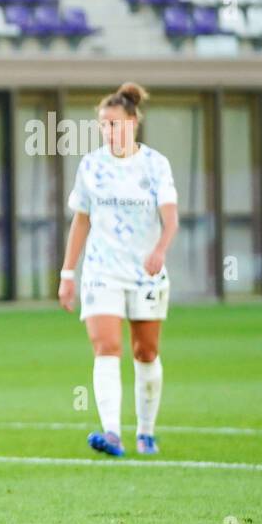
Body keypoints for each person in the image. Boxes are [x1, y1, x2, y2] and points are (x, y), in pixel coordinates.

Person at [59, 82, 178, 457]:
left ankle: (146, 432)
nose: (108, 131)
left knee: (145, 351)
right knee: (106, 347)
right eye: (103, 125)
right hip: (101, 270)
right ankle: (112, 433)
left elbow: (171, 218)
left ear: (133, 122)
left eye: (114, 124)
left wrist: (160, 249)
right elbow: (81, 221)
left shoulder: (155, 165)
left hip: (145, 272)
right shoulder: (91, 166)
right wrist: (67, 273)